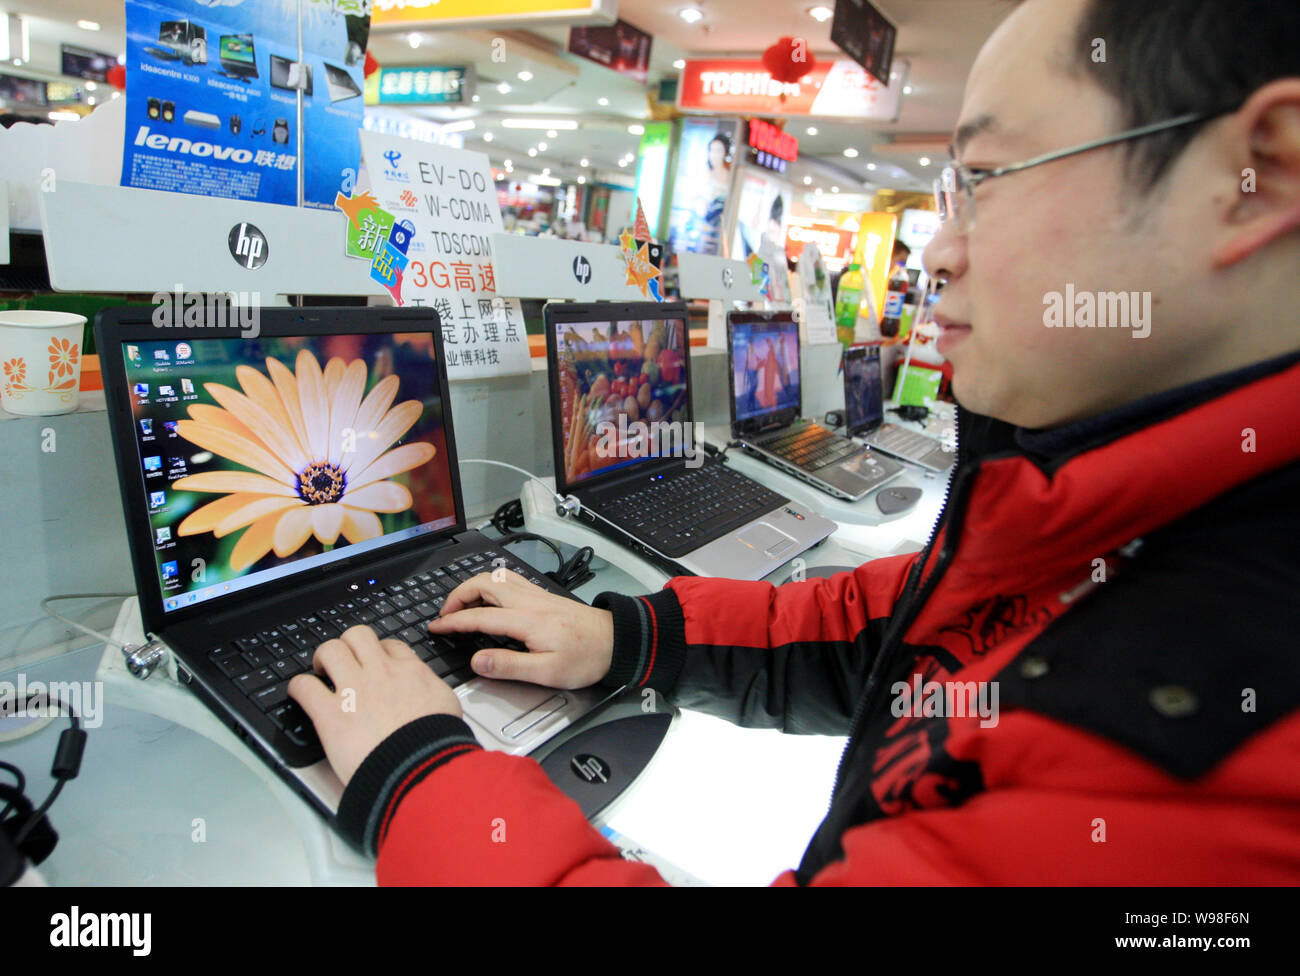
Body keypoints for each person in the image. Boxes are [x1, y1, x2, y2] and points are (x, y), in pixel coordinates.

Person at [289, 0, 1300, 885]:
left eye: (989, 177)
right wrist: (625, 638)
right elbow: (901, 634)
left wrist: (418, 772)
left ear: (1260, 169)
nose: (937, 254)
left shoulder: (1217, 757)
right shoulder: (1128, 511)